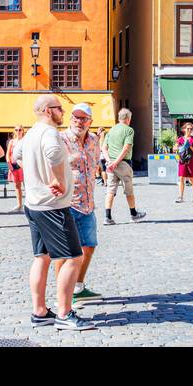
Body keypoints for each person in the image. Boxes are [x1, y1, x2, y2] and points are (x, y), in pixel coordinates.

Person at [14, 94, 93, 331]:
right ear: (48, 110)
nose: (63, 112)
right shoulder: (49, 133)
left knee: (42, 257)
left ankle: (40, 312)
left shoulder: (30, 133)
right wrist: (58, 179)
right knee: (73, 257)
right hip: (53, 206)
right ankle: (65, 314)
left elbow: (17, 155)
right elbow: (55, 154)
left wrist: (34, 176)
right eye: (60, 108)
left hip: (34, 204)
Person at [61, 103, 103, 302]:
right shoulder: (61, 139)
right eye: (76, 118)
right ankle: (62, 295)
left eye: (84, 118)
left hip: (88, 203)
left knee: (89, 245)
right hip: (67, 204)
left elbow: (94, 164)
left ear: (90, 122)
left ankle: (77, 286)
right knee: (65, 252)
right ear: (70, 119)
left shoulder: (94, 140)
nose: (79, 121)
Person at [103, 108, 146, 223]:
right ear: (128, 119)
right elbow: (126, 148)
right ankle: (133, 214)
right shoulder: (129, 130)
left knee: (110, 190)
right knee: (128, 188)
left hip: (110, 164)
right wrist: (116, 162)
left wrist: (109, 162)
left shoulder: (111, 130)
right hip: (123, 163)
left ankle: (107, 217)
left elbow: (104, 148)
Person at [175, 122, 193, 202]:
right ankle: (180, 196)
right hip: (182, 160)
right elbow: (174, 148)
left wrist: (189, 145)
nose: (189, 130)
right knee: (181, 178)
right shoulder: (180, 139)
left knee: (191, 179)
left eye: (191, 129)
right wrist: (182, 147)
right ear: (184, 129)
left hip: (191, 160)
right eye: (188, 128)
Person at [5, 125, 26, 211]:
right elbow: (8, 153)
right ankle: (19, 204)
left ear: (22, 131)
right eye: (16, 130)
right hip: (14, 165)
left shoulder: (25, 140)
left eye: (20, 130)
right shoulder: (12, 141)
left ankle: (29, 204)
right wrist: (8, 163)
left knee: (27, 186)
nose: (18, 131)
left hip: (23, 165)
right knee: (17, 186)